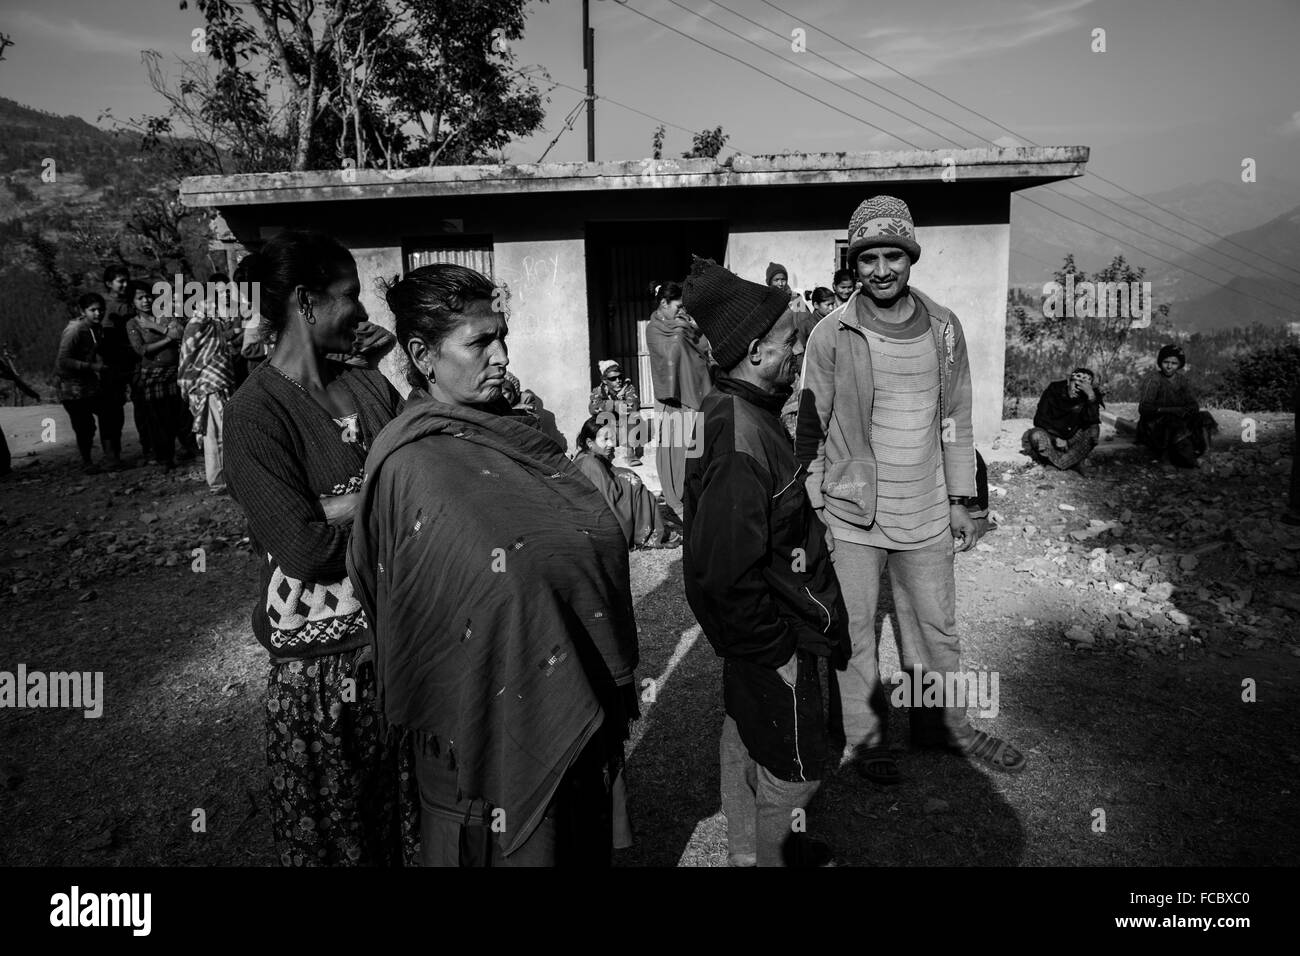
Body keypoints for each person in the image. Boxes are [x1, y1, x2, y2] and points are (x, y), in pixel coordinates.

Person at [347, 263, 640, 867]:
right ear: (423, 355)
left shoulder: (519, 435)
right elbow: (415, 601)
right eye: (481, 342)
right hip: (479, 717)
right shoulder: (413, 464)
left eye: (502, 335)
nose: (502, 356)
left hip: (569, 685)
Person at [796, 194, 1026, 782]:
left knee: (934, 628)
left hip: (924, 509)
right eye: (867, 256)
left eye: (892, 255)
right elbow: (811, 420)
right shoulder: (832, 332)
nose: (880, 269)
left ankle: (943, 727)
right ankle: (866, 739)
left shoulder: (945, 329)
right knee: (854, 632)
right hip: (851, 512)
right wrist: (818, 496)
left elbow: (956, 419)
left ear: (910, 257)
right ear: (854, 261)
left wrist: (960, 499)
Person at [223, 231, 410, 867]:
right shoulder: (255, 415)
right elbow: (305, 550)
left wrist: (342, 503)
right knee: (344, 842)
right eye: (349, 296)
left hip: (399, 644)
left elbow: (427, 473)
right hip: (326, 676)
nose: (363, 312)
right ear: (306, 302)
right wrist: (380, 495)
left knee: (411, 830)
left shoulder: (365, 387)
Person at [681, 258, 849, 867]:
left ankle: (755, 854)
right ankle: (774, 851)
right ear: (754, 349)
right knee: (793, 769)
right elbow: (722, 573)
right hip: (777, 641)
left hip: (768, 640)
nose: (799, 354)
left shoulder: (737, 412)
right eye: (790, 342)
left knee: (750, 744)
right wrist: (773, 646)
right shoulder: (739, 437)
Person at [645, 280, 712, 518]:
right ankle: (678, 501)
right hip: (671, 400)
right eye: (677, 305)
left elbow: (702, 346)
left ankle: (696, 500)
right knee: (673, 450)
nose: (681, 310)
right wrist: (682, 331)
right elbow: (669, 355)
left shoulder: (684, 324)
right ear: (663, 303)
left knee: (693, 449)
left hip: (692, 394)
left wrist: (688, 328)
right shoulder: (654, 328)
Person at [572, 415, 680, 550]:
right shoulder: (590, 463)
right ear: (590, 442)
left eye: (611, 438)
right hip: (597, 521)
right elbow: (609, 501)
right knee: (636, 488)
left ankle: (654, 524)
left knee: (632, 482)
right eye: (605, 439)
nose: (611, 444)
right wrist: (633, 487)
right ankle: (647, 533)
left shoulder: (590, 456)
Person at [124, 281, 197, 471]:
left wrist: (155, 327)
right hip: (154, 376)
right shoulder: (132, 323)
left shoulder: (163, 315)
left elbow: (180, 332)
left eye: (148, 296)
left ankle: (191, 450)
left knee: (182, 414)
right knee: (159, 418)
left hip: (176, 372)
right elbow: (142, 349)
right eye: (140, 298)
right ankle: (165, 458)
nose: (145, 300)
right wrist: (167, 338)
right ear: (133, 302)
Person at [178, 273, 240, 492]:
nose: (219, 300)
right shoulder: (196, 324)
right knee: (214, 433)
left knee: (224, 430)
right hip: (208, 386)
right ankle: (219, 480)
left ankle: (228, 476)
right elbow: (188, 358)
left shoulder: (213, 323)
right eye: (213, 297)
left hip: (221, 382)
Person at [1136, 344, 1218, 468]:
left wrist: (1184, 411)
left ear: (1179, 364)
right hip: (1155, 424)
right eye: (1165, 362)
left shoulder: (1182, 381)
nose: (1169, 366)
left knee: (1204, 417)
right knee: (1171, 423)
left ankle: (1207, 452)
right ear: (1160, 362)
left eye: (1174, 363)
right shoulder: (1153, 380)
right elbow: (1144, 408)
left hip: (1178, 419)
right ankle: (1166, 458)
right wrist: (1170, 410)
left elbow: (1193, 405)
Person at [55, 293, 107, 474]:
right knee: (83, 425)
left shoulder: (97, 328)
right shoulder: (75, 330)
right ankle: (87, 461)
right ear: (82, 311)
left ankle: (108, 456)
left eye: (101, 309)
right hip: (71, 384)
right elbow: (63, 360)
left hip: (89, 381)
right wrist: (92, 366)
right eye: (93, 310)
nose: (98, 313)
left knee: (103, 416)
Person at [103, 266, 148, 460]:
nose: (124, 284)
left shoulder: (133, 303)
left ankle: (149, 446)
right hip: (113, 363)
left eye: (126, 280)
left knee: (143, 405)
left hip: (136, 360)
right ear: (109, 284)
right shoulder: (104, 306)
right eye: (120, 281)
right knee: (113, 411)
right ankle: (113, 454)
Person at [1021, 367, 1103, 474]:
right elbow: (1039, 419)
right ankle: (1068, 463)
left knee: (1094, 430)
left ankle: (1059, 464)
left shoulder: (1091, 395)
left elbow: (1092, 420)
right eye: (1076, 384)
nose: (1078, 389)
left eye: (1084, 386)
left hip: (1072, 438)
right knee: (1036, 436)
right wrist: (1056, 437)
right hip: (1051, 435)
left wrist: (1091, 397)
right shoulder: (1054, 389)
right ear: (1069, 381)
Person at [589, 359, 643, 465]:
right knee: (595, 419)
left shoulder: (628, 388)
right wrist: (615, 404)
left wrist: (609, 405)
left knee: (632, 416)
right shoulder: (599, 391)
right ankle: (603, 453)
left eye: (620, 377)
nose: (618, 380)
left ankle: (630, 454)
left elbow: (633, 406)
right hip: (609, 430)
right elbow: (593, 408)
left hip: (626, 430)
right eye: (613, 378)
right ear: (605, 381)